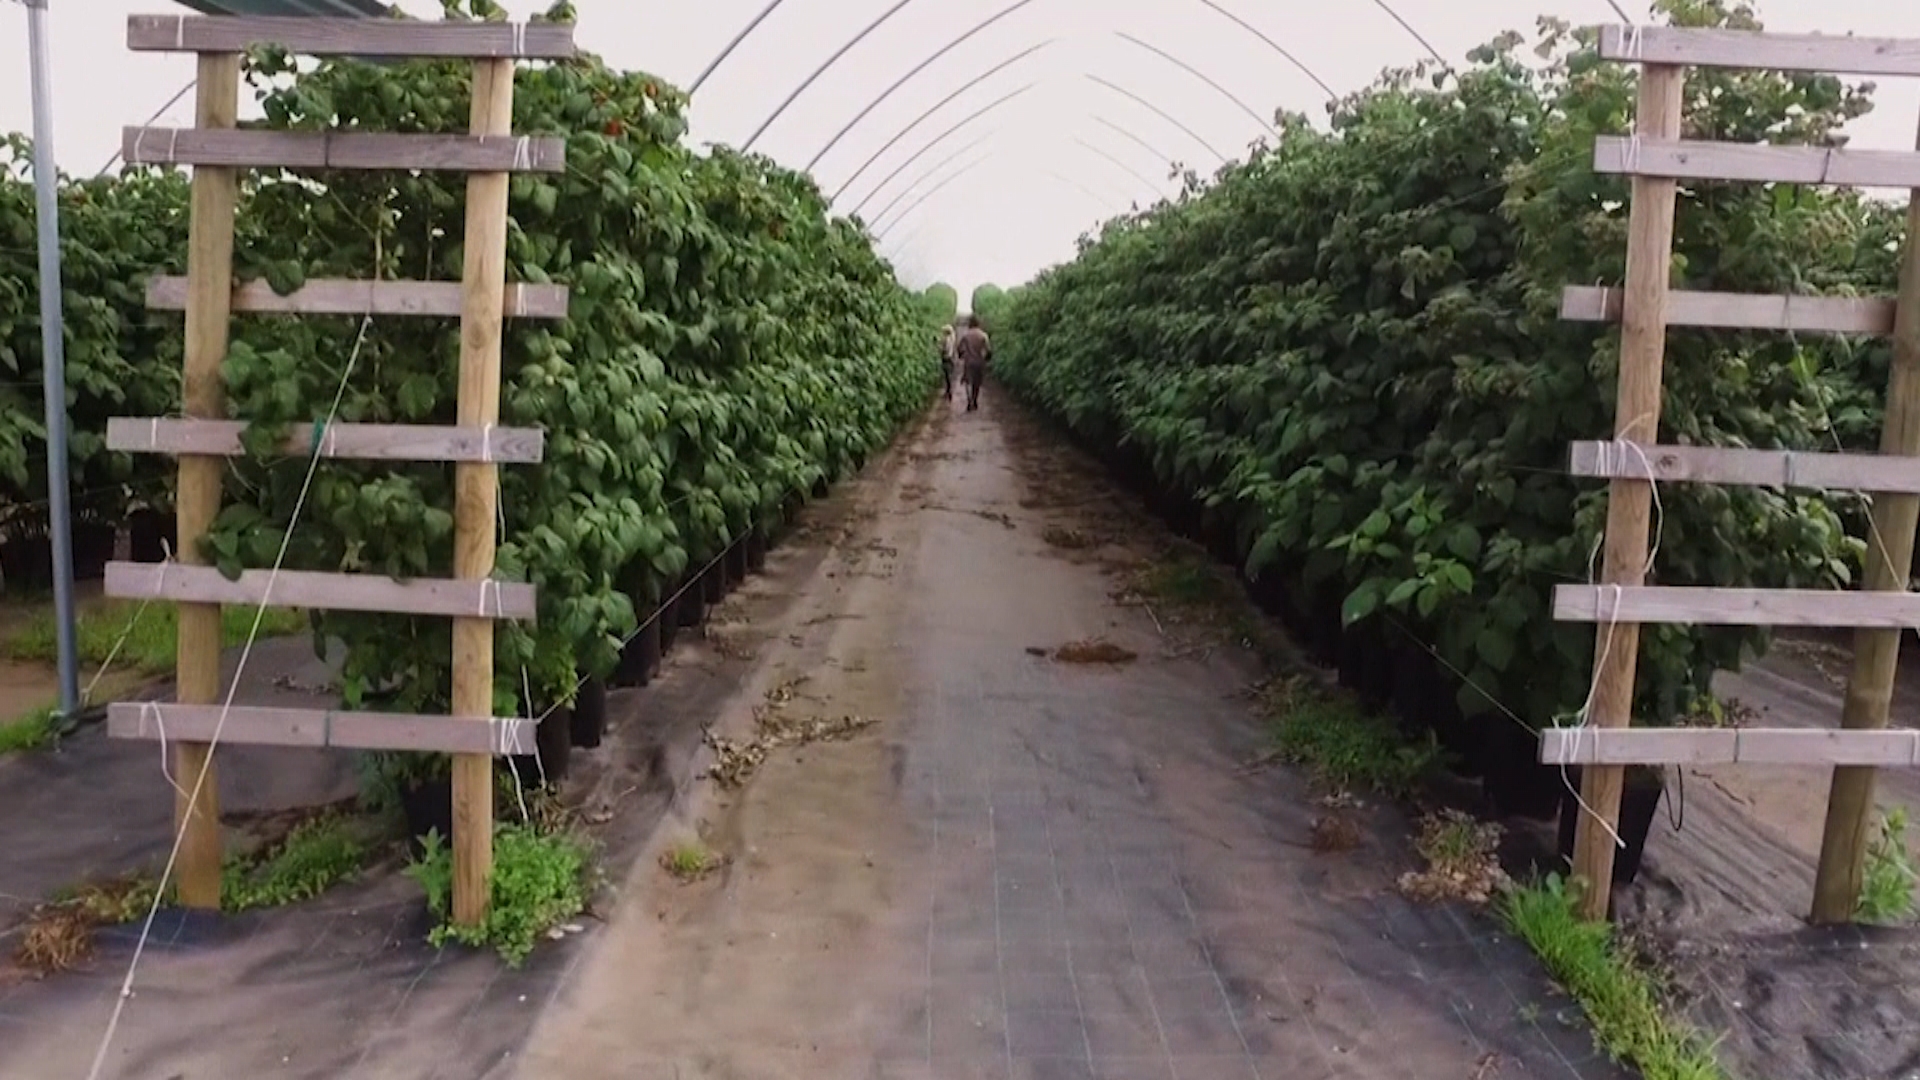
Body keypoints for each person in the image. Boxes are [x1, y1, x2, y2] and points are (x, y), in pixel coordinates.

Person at [955, 314, 991, 412]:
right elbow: (988, 350)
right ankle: (975, 399)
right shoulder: (983, 335)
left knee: (968, 382)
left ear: (970, 324)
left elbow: (959, 348)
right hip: (979, 361)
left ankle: (969, 400)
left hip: (968, 361)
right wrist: (987, 358)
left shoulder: (966, 336)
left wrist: (961, 355)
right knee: (977, 382)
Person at [938, 324, 956, 401]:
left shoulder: (947, 339)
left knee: (947, 376)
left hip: (946, 358)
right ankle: (948, 391)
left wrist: (939, 348)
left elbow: (945, 349)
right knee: (949, 375)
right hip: (951, 358)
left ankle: (949, 392)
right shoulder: (952, 338)